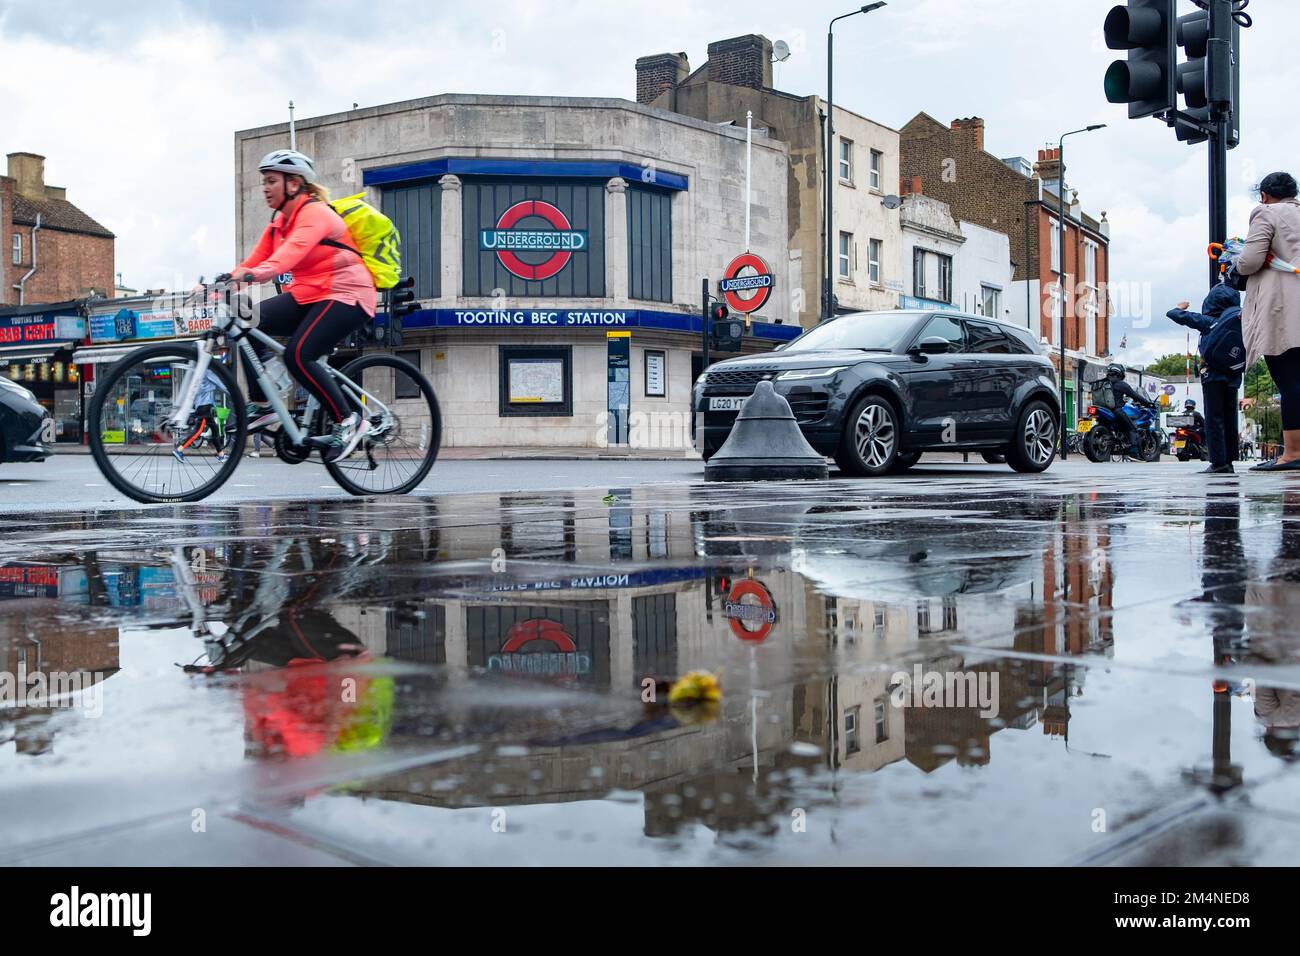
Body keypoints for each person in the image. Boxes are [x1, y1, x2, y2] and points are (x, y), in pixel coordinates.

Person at [217, 149, 376, 464]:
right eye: (263, 181)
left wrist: (255, 275)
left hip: (347, 292)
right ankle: (262, 405)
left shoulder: (314, 214)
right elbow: (255, 260)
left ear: (294, 183)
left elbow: (284, 258)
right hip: (309, 293)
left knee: (298, 355)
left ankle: (349, 420)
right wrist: (220, 285)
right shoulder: (279, 221)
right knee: (245, 321)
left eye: (271, 181)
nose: (265, 188)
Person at [1235, 171, 1300, 471]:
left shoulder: (1266, 213)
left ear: (1264, 195)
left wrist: (1233, 259)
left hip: (1284, 308)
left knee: (1290, 381)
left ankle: (1292, 453)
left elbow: (1249, 261)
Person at [1167, 285, 1242, 474]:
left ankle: (1218, 462)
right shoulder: (1239, 321)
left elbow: (1174, 314)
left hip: (1213, 375)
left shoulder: (1208, 321)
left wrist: (1180, 307)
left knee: (1214, 417)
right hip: (1233, 374)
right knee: (1230, 417)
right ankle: (1230, 460)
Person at [1102, 363, 1158, 455]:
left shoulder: (1102, 382)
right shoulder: (1121, 384)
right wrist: (1147, 403)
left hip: (1103, 409)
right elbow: (1135, 395)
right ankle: (1133, 452)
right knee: (1132, 428)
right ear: (1120, 373)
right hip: (1116, 410)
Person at [173, 367, 227, 463]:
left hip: (202, 406)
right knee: (197, 432)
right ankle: (179, 449)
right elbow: (220, 384)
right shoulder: (207, 371)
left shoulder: (197, 372)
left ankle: (221, 455)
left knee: (215, 431)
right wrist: (235, 394)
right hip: (204, 407)